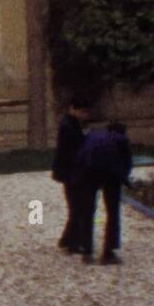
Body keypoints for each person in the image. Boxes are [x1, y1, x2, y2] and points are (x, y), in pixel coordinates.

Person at [71, 122, 133, 265]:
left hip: (90, 174)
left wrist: (78, 178)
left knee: (88, 212)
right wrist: (124, 179)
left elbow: (80, 157)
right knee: (112, 213)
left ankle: (87, 251)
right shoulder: (121, 140)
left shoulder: (92, 136)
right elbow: (127, 163)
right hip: (111, 176)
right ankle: (108, 252)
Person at [52, 96, 93, 253]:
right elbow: (74, 149)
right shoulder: (69, 127)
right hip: (71, 173)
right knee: (77, 207)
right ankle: (71, 242)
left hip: (71, 172)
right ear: (73, 109)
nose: (85, 115)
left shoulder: (72, 124)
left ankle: (69, 240)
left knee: (77, 207)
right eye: (83, 111)